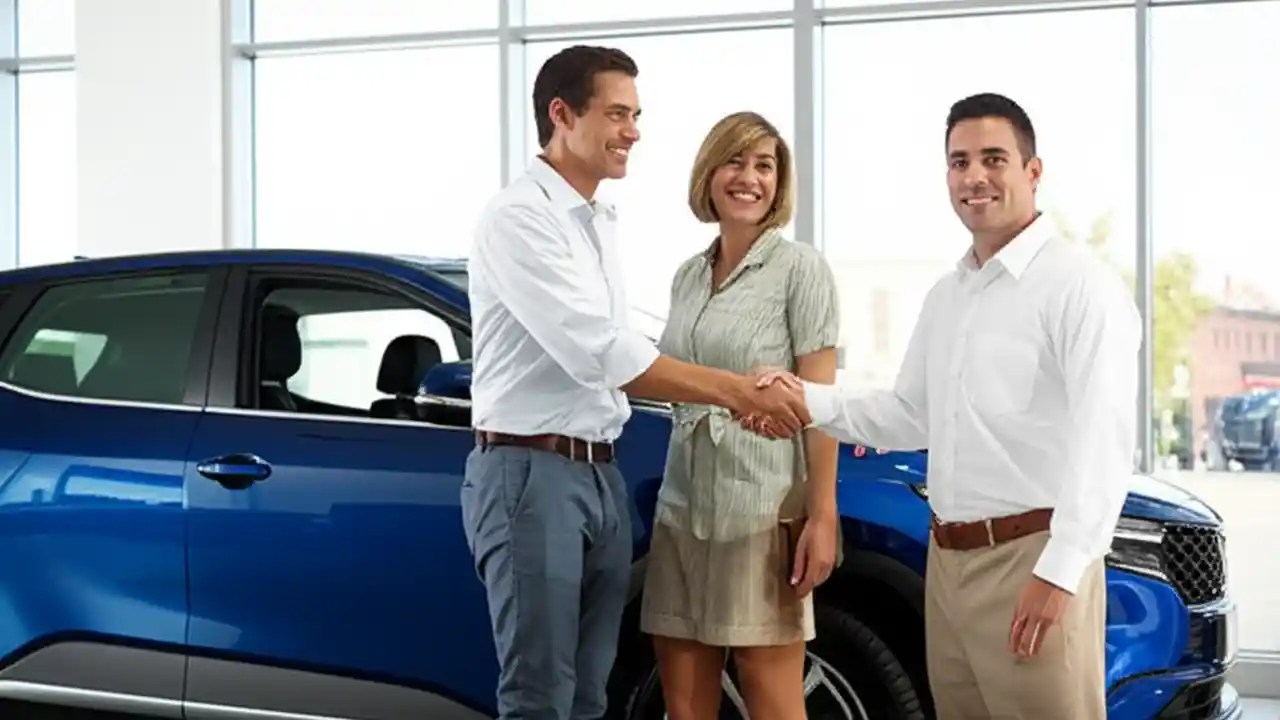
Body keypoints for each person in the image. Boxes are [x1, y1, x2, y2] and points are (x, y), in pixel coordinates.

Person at [758, 92, 1140, 719]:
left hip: (1030, 559)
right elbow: (908, 414)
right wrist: (804, 400)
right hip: (947, 565)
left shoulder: (1080, 286)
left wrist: (1061, 570)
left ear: (1033, 172)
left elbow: (1107, 441)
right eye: (959, 162)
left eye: (994, 158)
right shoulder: (948, 296)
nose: (975, 177)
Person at [462, 46, 811, 720]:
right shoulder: (519, 218)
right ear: (562, 115)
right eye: (618, 114)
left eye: (637, 114)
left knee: (592, 694)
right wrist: (739, 392)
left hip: (598, 475)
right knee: (539, 696)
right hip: (530, 473)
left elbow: (626, 351)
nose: (634, 131)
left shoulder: (595, 224)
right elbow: (601, 351)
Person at [637, 111, 841, 720]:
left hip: (761, 509)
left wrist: (823, 516)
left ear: (780, 183)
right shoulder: (687, 276)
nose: (748, 177)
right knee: (685, 705)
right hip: (682, 507)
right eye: (735, 161)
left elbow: (823, 406)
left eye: (765, 165)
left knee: (771, 694)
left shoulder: (801, 270)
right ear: (710, 172)